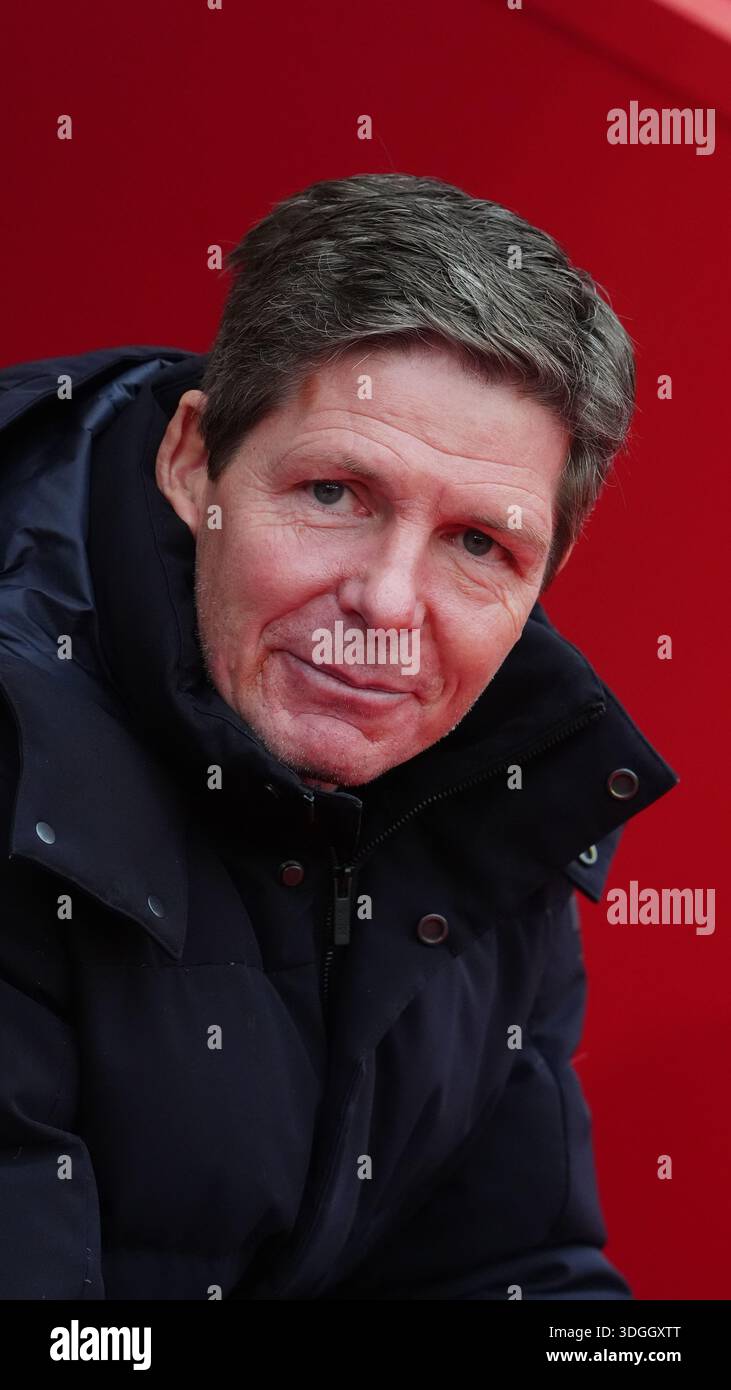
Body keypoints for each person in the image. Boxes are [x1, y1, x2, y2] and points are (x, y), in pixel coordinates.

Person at [0, 173, 678, 1300]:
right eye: (333, 493)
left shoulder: (503, 784)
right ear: (192, 463)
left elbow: (510, 1270)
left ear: (542, 578)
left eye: (477, 544)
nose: (387, 603)